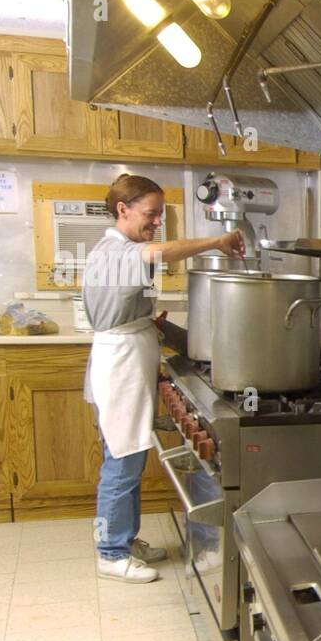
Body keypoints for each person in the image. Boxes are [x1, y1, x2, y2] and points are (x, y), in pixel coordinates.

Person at [83, 173, 244, 583]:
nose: (156, 222)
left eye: (158, 216)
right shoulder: (114, 251)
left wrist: (150, 324)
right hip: (119, 366)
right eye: (151, 214)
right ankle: (110, 552)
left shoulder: (123, 250)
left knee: (130, 455)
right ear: (123, 209)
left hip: (127, 359)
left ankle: (123, 539)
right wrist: (217, 241)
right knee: (122, 459)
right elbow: (163, 253)